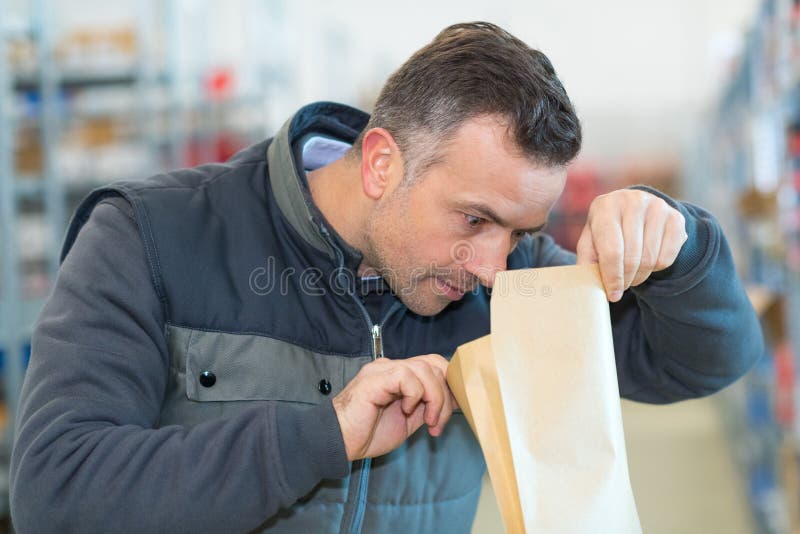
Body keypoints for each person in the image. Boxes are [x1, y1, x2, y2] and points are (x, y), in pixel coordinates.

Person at [10, 21, 763, 533]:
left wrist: (681, 248)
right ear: (380, 163)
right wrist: (321, 437)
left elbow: (699, 362)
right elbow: (56, 490)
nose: (495, 266)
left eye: (521, 231)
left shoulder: (507, 279)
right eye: (473, 218)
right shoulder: (151, 237)